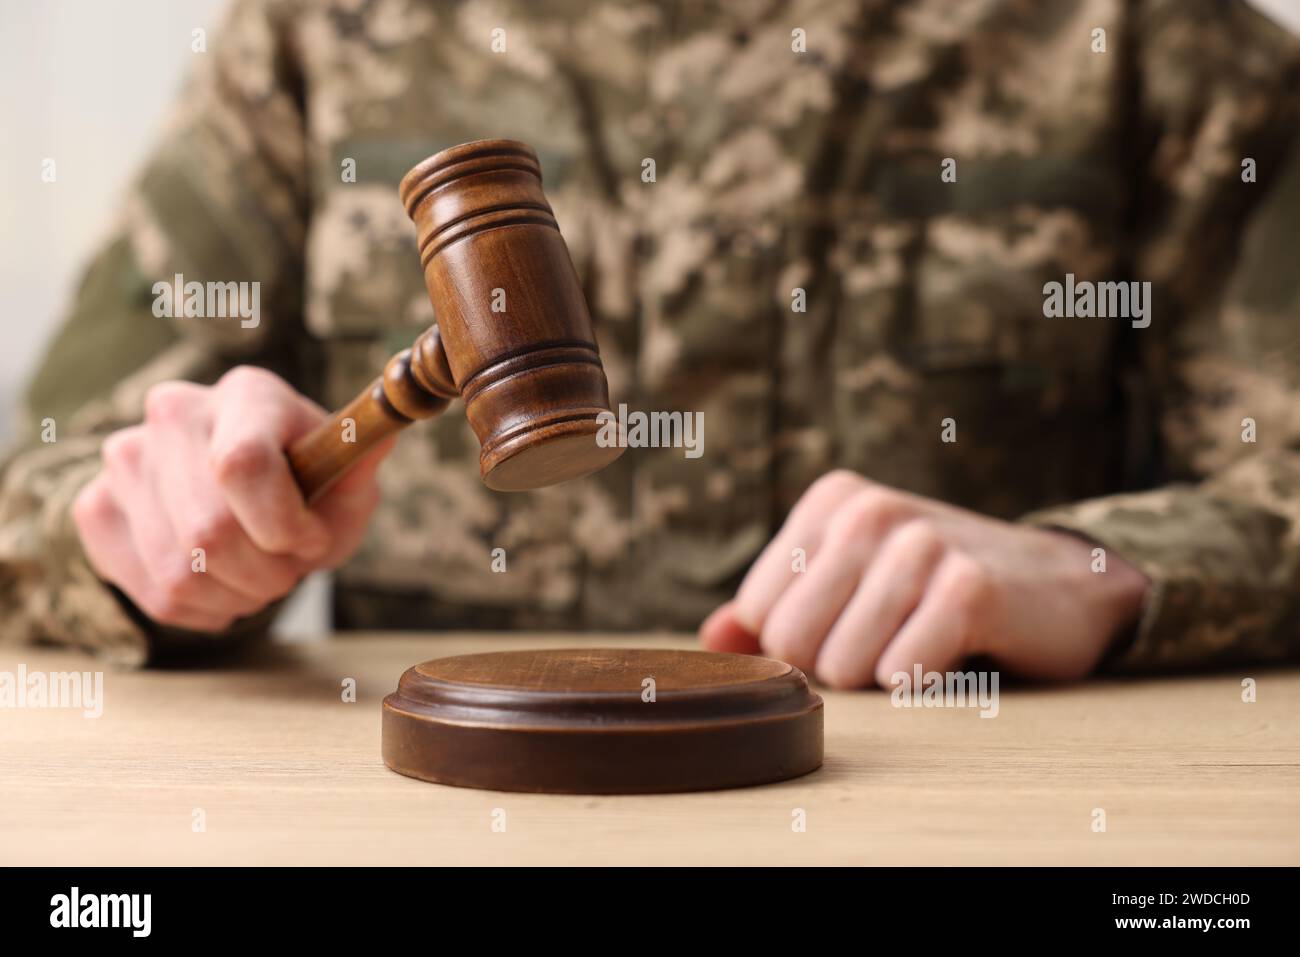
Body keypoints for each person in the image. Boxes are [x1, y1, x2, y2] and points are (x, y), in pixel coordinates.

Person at [2, 0, 1298, 686]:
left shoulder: (1144, 33)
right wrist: (152, 535)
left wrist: (1108, 573)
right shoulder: (321, 30)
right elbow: (40, 488)